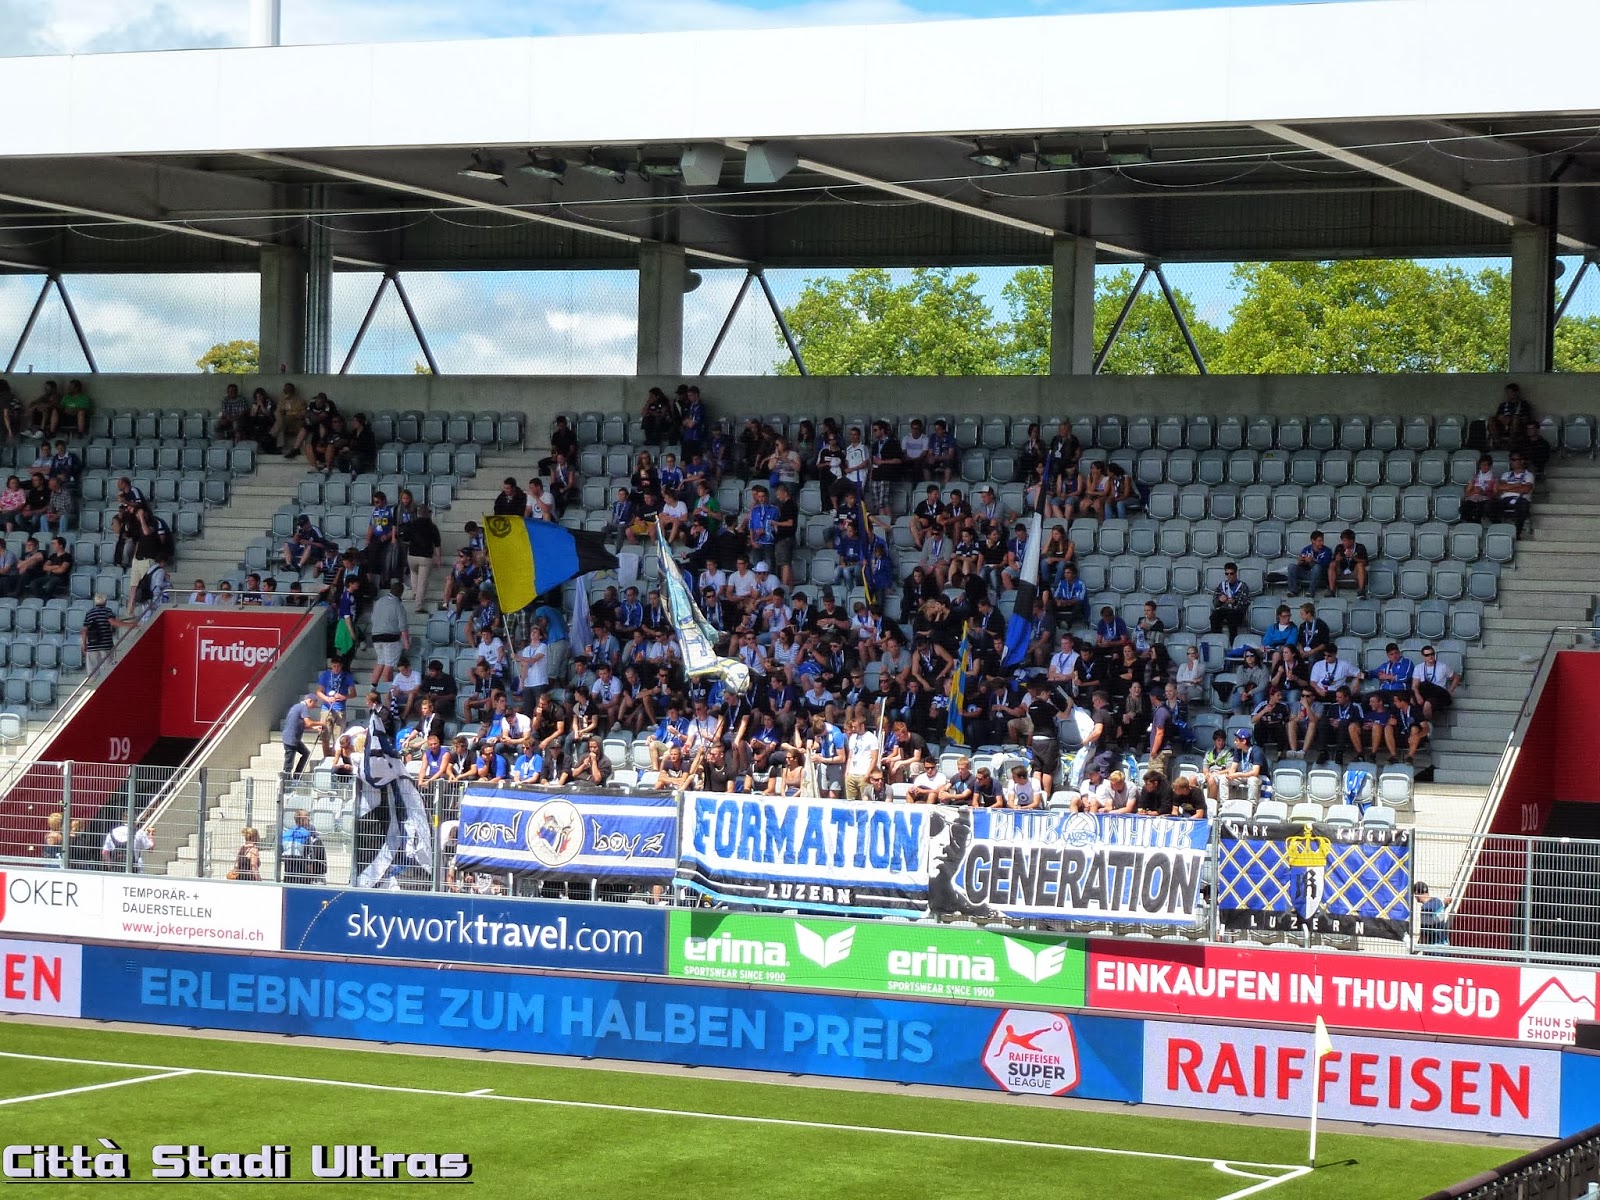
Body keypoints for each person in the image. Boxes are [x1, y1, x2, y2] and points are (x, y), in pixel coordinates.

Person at [81, 592, 132, 675]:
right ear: (105, 602)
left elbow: (84, 631)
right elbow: (113, 622)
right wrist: (130, 625)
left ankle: (94, 687)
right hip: (106, 644)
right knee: (109, 671)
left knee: (92, 672)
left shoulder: (89, 613)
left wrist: (84, 644)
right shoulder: (107, 611)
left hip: (92, 645)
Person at [280, 809, 328, 886]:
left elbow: (280, 854)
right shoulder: (308, 835)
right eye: (307, 819)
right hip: (304, 874)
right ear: (302, 821)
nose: (309, 821)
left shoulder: (286, 834)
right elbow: (310, 855)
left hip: (289, 873)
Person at [282, 691, 321, 780]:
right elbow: (309, 722)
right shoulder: (303, 708)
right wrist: (322, 723)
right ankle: (286, 781)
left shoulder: (296, 707)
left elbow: (304, 725)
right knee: (289, 763)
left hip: (291, 738)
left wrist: (315, 728)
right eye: (315, 703)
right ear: (310, 701)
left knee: (305, 753)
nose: (315, 706)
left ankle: (296, 776)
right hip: (291, 739)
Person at [1209, 562, 1250, 640]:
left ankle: (1233, 642)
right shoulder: (1222, 585)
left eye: (1231, 573)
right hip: (1224, 609)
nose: (1229, 576)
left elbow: (1246, 602)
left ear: (1236, 573)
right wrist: (1220, 601)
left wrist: (1235, 602)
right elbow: (1215, 603)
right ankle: (1217, 640)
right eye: (1227, 574)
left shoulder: (1243, 586)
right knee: (1214, 616)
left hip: (1236, 611)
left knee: (1232, 618)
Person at [1286, 530, 1333, 598]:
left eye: (1322, 541)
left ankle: (1311, 591)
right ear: (1313, 541)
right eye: (1319, 541)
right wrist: (1300, 562)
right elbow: (1300, 564)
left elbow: (1325, 565)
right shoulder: (1306, 549)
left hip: (1320, 575)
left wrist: (1313, 562)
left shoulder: (1328, 551)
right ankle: (1293, 590)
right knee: (1291, 567)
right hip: (1307, 573)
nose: (1322, 543)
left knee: (1317, 567)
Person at [1488, 382, 1532, 449]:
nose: (1508, 395)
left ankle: (1511, 443)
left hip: (1517, 428)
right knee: (1491, 419)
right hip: (1503, 426)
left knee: (1515, 420)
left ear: (1516, 393)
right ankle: (1497, 442)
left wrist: (1513, 418)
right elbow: (1498, 416)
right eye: (1507, 393)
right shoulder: (1503, 405)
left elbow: (1527, 419)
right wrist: (1501, 418)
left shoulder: (1524, 404)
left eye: (1510, 392)